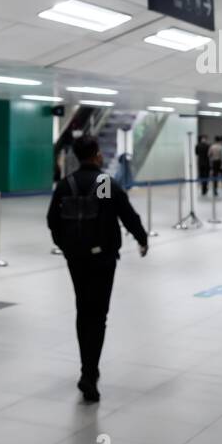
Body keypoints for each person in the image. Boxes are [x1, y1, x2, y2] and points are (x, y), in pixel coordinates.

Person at [47, 135, 148, 403]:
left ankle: (87, 368)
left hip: (76, 258)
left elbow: (52, 220)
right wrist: (142, 238)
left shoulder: (66, 184)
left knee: (83, 310)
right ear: (97, 155)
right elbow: (126, 213)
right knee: (98, 314)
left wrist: (66, 245)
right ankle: (90, 374)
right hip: (102, 259)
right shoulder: (104, 183)